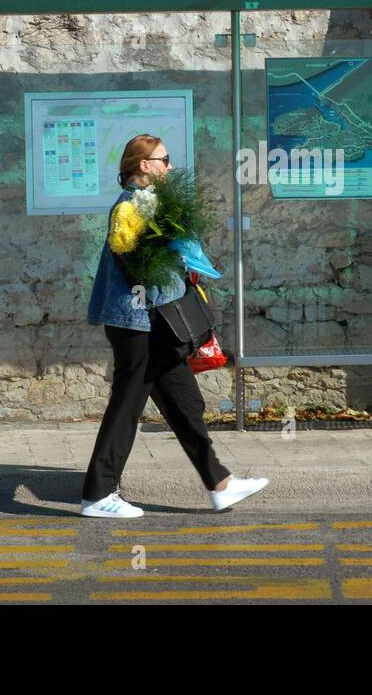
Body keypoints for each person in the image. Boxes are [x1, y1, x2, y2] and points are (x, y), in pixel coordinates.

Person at [81, 134, 268, 517]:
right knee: (127, 404)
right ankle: (98, 494)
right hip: (140, 324)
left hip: (155, 322)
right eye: (164, 160)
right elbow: (135, 267)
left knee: (186, 404)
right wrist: (169, 251)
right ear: (144, 165)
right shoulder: (130, 207)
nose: (170, 166)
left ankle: (220, 485)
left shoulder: (150, 204)